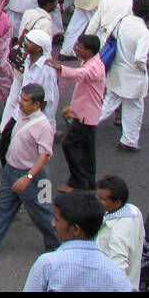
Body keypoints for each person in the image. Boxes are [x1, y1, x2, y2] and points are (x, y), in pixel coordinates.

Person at [0, 83, 58, 255]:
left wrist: (28, 178)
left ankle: (56, 243)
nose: (20, 102)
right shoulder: (22, 116)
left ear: (37, 104)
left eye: (25, 100)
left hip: (33, 176)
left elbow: (44, 157)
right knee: (3, 207)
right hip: (11, 171)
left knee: (42, 211)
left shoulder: (43, 126)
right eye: (21, 98)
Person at [23, 192, 130, 291]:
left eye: (57, 220)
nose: (53, 224)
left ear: (75, 230)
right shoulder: (116, 273)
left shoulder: (47, 265)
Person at [49, 35, 105, 192]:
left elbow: (79, 75)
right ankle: (88, 179)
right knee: (87, 148)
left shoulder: (94, 67)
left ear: (89, 50)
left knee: (69, 144)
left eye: (80, 47)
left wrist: (59, 67)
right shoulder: (91, 62)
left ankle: (78, 181)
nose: (76, 48)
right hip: (87, 112)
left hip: (86, 114)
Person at [99, 0, 149, 152]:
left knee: (108, 104)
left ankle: (82, 124)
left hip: (116, 72)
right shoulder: (143, 32)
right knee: (134, 108)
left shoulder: (121, 22)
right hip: (133, 78)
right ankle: (129, 141)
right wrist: (146, 66)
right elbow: (140, 59)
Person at [95, 174, 144, 289]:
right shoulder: (133, 210)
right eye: (98, 197)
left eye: (102, 199)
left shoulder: (118, 231)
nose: (97, 201)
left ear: (117, 202)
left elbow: (118, 268)